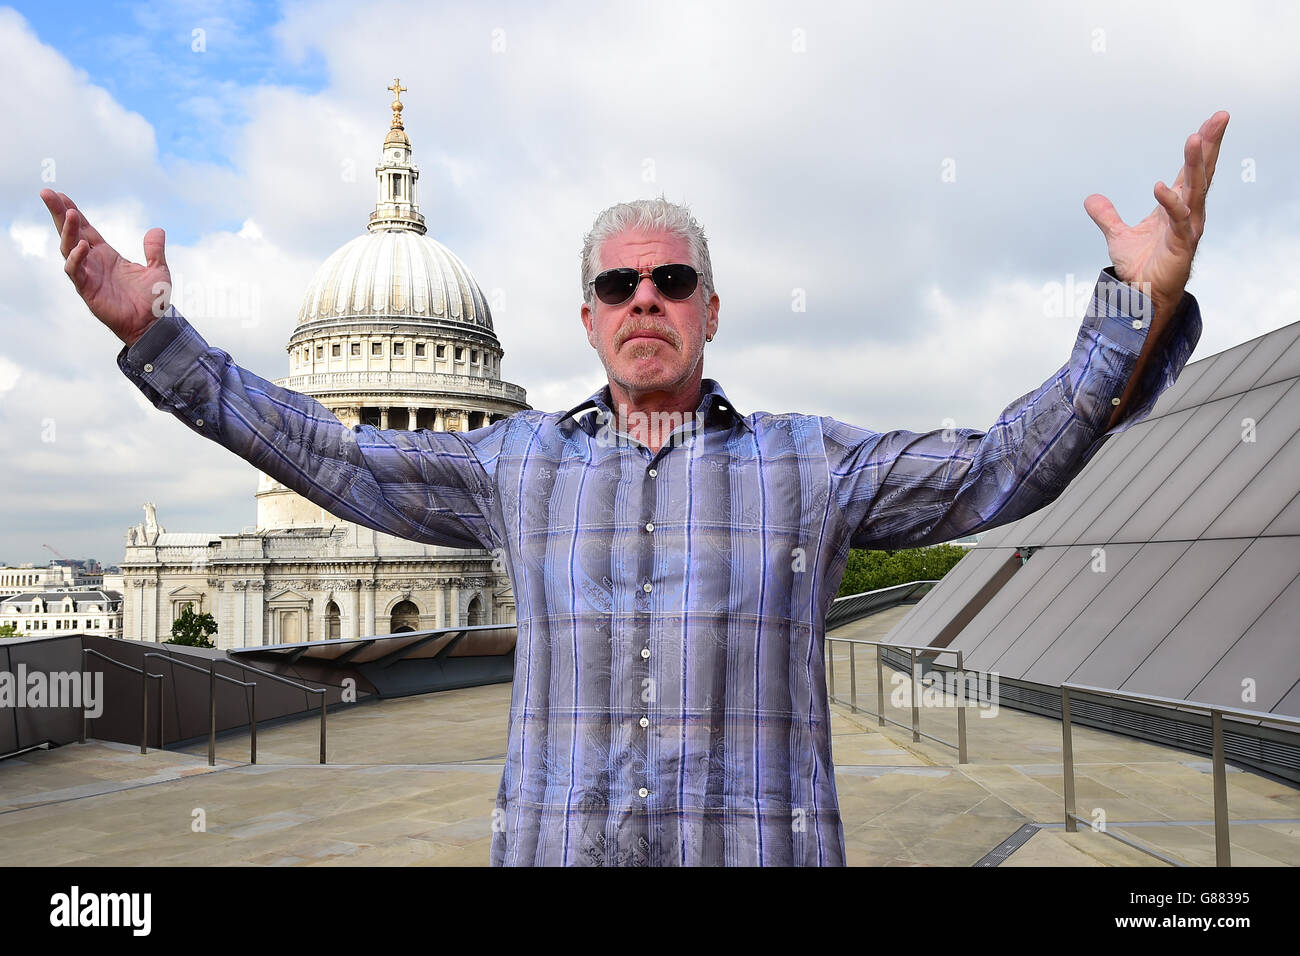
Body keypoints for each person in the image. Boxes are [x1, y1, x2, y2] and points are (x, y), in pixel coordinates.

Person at [39, 109, 1227, 866]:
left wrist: (1132, 307)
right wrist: (163, 342)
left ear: (709, 307)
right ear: (589, 317)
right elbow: (332, 453)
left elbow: (1001, 467)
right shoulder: (514, 465)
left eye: (671, 278)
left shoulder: (810, 464)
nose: (644, 297)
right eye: (619, 284)